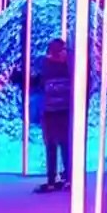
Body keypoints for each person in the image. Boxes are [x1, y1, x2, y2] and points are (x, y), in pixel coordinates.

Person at [34, 39, 73, 193]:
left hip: (58, 110)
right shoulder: (62, 67)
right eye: (62, 50)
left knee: (60, 145)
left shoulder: (56, 66)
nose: (65, 53)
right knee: (56, 145)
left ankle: (60, 178)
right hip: (54, 111)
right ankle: (58, 178)